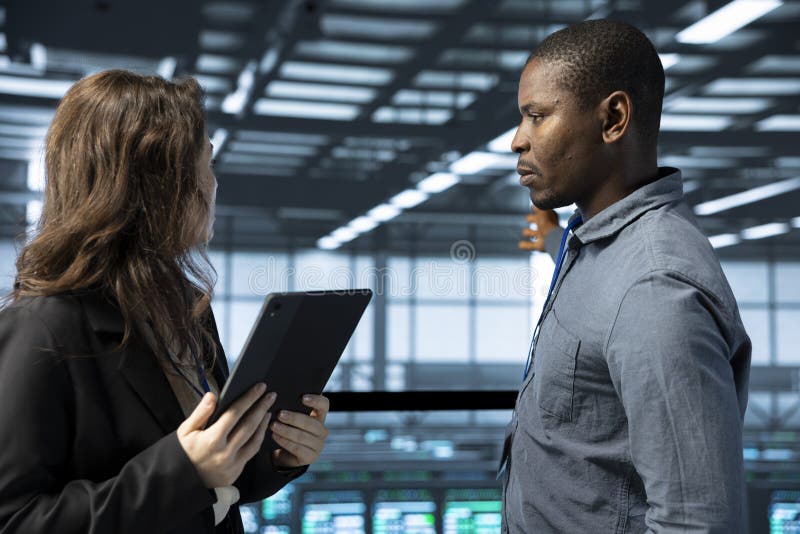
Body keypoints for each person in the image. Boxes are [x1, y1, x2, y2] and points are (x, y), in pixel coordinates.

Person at [0, 70, 330, 533]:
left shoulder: (186, 310)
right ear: (159, 181)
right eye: (206, 164)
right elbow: (15, 520)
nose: (214, 186)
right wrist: (182, 473)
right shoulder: (42, 329)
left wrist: (279, 457)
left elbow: (220, 477)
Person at [500, 20, 751, 533]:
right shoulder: (597, 244)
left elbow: (696, 521)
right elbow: (600, 307)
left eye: (536, 116)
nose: (517, 140)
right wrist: (550, 237)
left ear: (613, 118)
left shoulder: (656, 290)